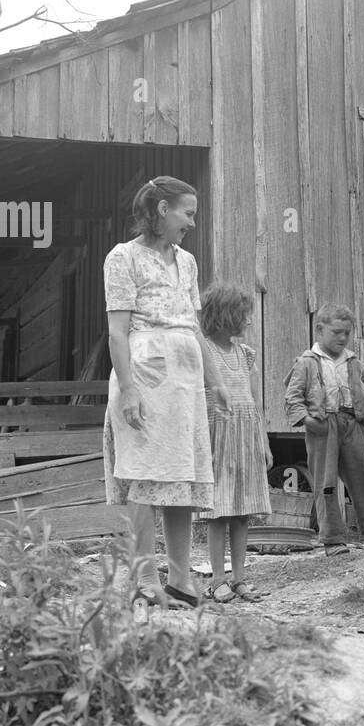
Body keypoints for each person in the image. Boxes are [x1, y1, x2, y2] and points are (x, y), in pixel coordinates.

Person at [104, 176, 223, 609]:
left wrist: (216, 382)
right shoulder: (123, 258)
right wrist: (129, 390)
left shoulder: (186, 262)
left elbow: (193, 326)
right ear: (161, 210)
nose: (191, 222)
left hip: (185, 383)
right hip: (145, 375)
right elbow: (117, 332)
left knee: (181, 478)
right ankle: (144, 579)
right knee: (144, 477)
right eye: (187, 213)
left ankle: (179, 579)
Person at [283, 304, 364, 558]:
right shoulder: (307, 363)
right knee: (326, 482)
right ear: (320, 330)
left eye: (347, 332)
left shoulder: (353, 361)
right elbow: (292, 398)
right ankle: (333, 538)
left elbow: (362, 391)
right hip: (323, 428)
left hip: (350, 424)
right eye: (336, 332)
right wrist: (307, 421)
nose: (342, 338)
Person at [198, 281, 271, 603]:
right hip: (219, 438)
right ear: (227, 316)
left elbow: (255, 402)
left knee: (241, 512)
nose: (249, 321)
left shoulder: (245, 355)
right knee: (219, 512)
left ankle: (240, 577)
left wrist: (263, 441)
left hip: (246, 437)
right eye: (244, 315)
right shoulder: (204, 351)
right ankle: (217, 579)